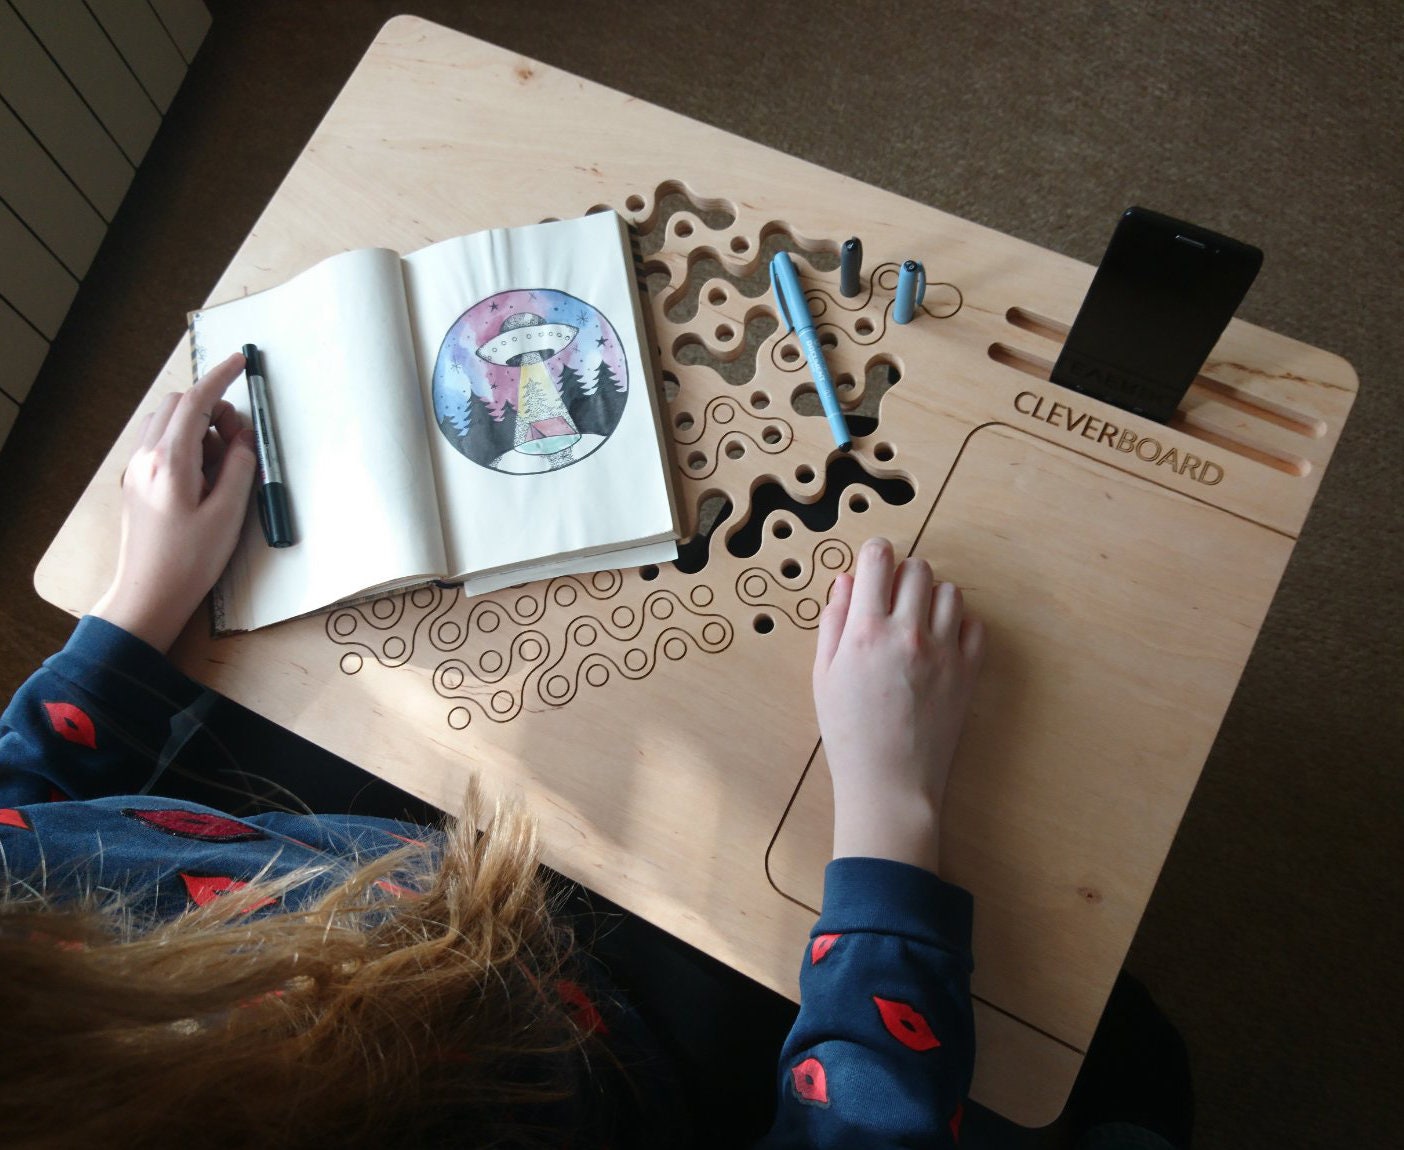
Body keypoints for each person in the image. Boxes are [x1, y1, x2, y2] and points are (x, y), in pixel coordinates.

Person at [0, 354, 987, 1145]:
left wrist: (136, 604)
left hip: (314, 859)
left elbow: (18, 803)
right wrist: (892, 805)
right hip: (604, 1051)